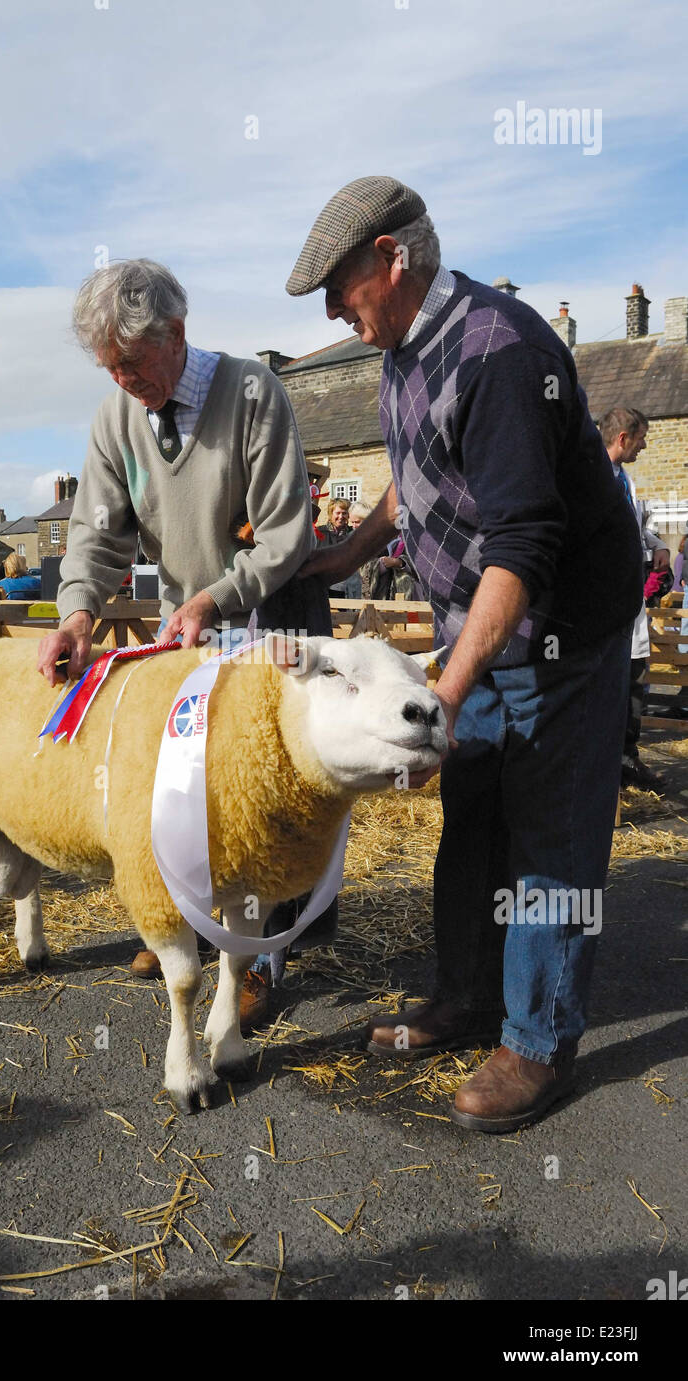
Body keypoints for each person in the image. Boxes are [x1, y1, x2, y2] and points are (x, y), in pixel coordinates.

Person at [289, 175, 643, 1132]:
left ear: (393, 259)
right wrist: (344, 551)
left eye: (339, 285)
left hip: (561, 623)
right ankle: (467, 998)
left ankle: (538, 1042)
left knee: (551, 837)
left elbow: (524, 542)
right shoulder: (401, 351)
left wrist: (441, 690)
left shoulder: (498, 351)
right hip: (480, 629)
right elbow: (414, 481)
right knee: (471, 815)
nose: (332, 310)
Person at [35, 258, 318, 1028]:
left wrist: (215, 596)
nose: (123, 379)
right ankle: (193, 923)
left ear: (177, 333)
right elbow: (95, 536)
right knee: (184, 787)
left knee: (257, 797)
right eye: (109, 367)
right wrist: (77, 611)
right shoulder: (114, 419)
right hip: (184, 631)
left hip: (266, 616)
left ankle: (257, 958)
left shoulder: (255, 395)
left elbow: (287, 537)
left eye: (133, 361)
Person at [598, 406, 669, 793]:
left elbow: (639, 525)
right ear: (623, 438)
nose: (645, 446)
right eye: (641, 439)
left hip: (630, 602)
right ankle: (606, 770)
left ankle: (628, 762)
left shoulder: (624, 480)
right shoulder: (591, 477)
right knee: (605, 689)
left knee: (635, 681)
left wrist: (657, 545)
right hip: (605, 605)